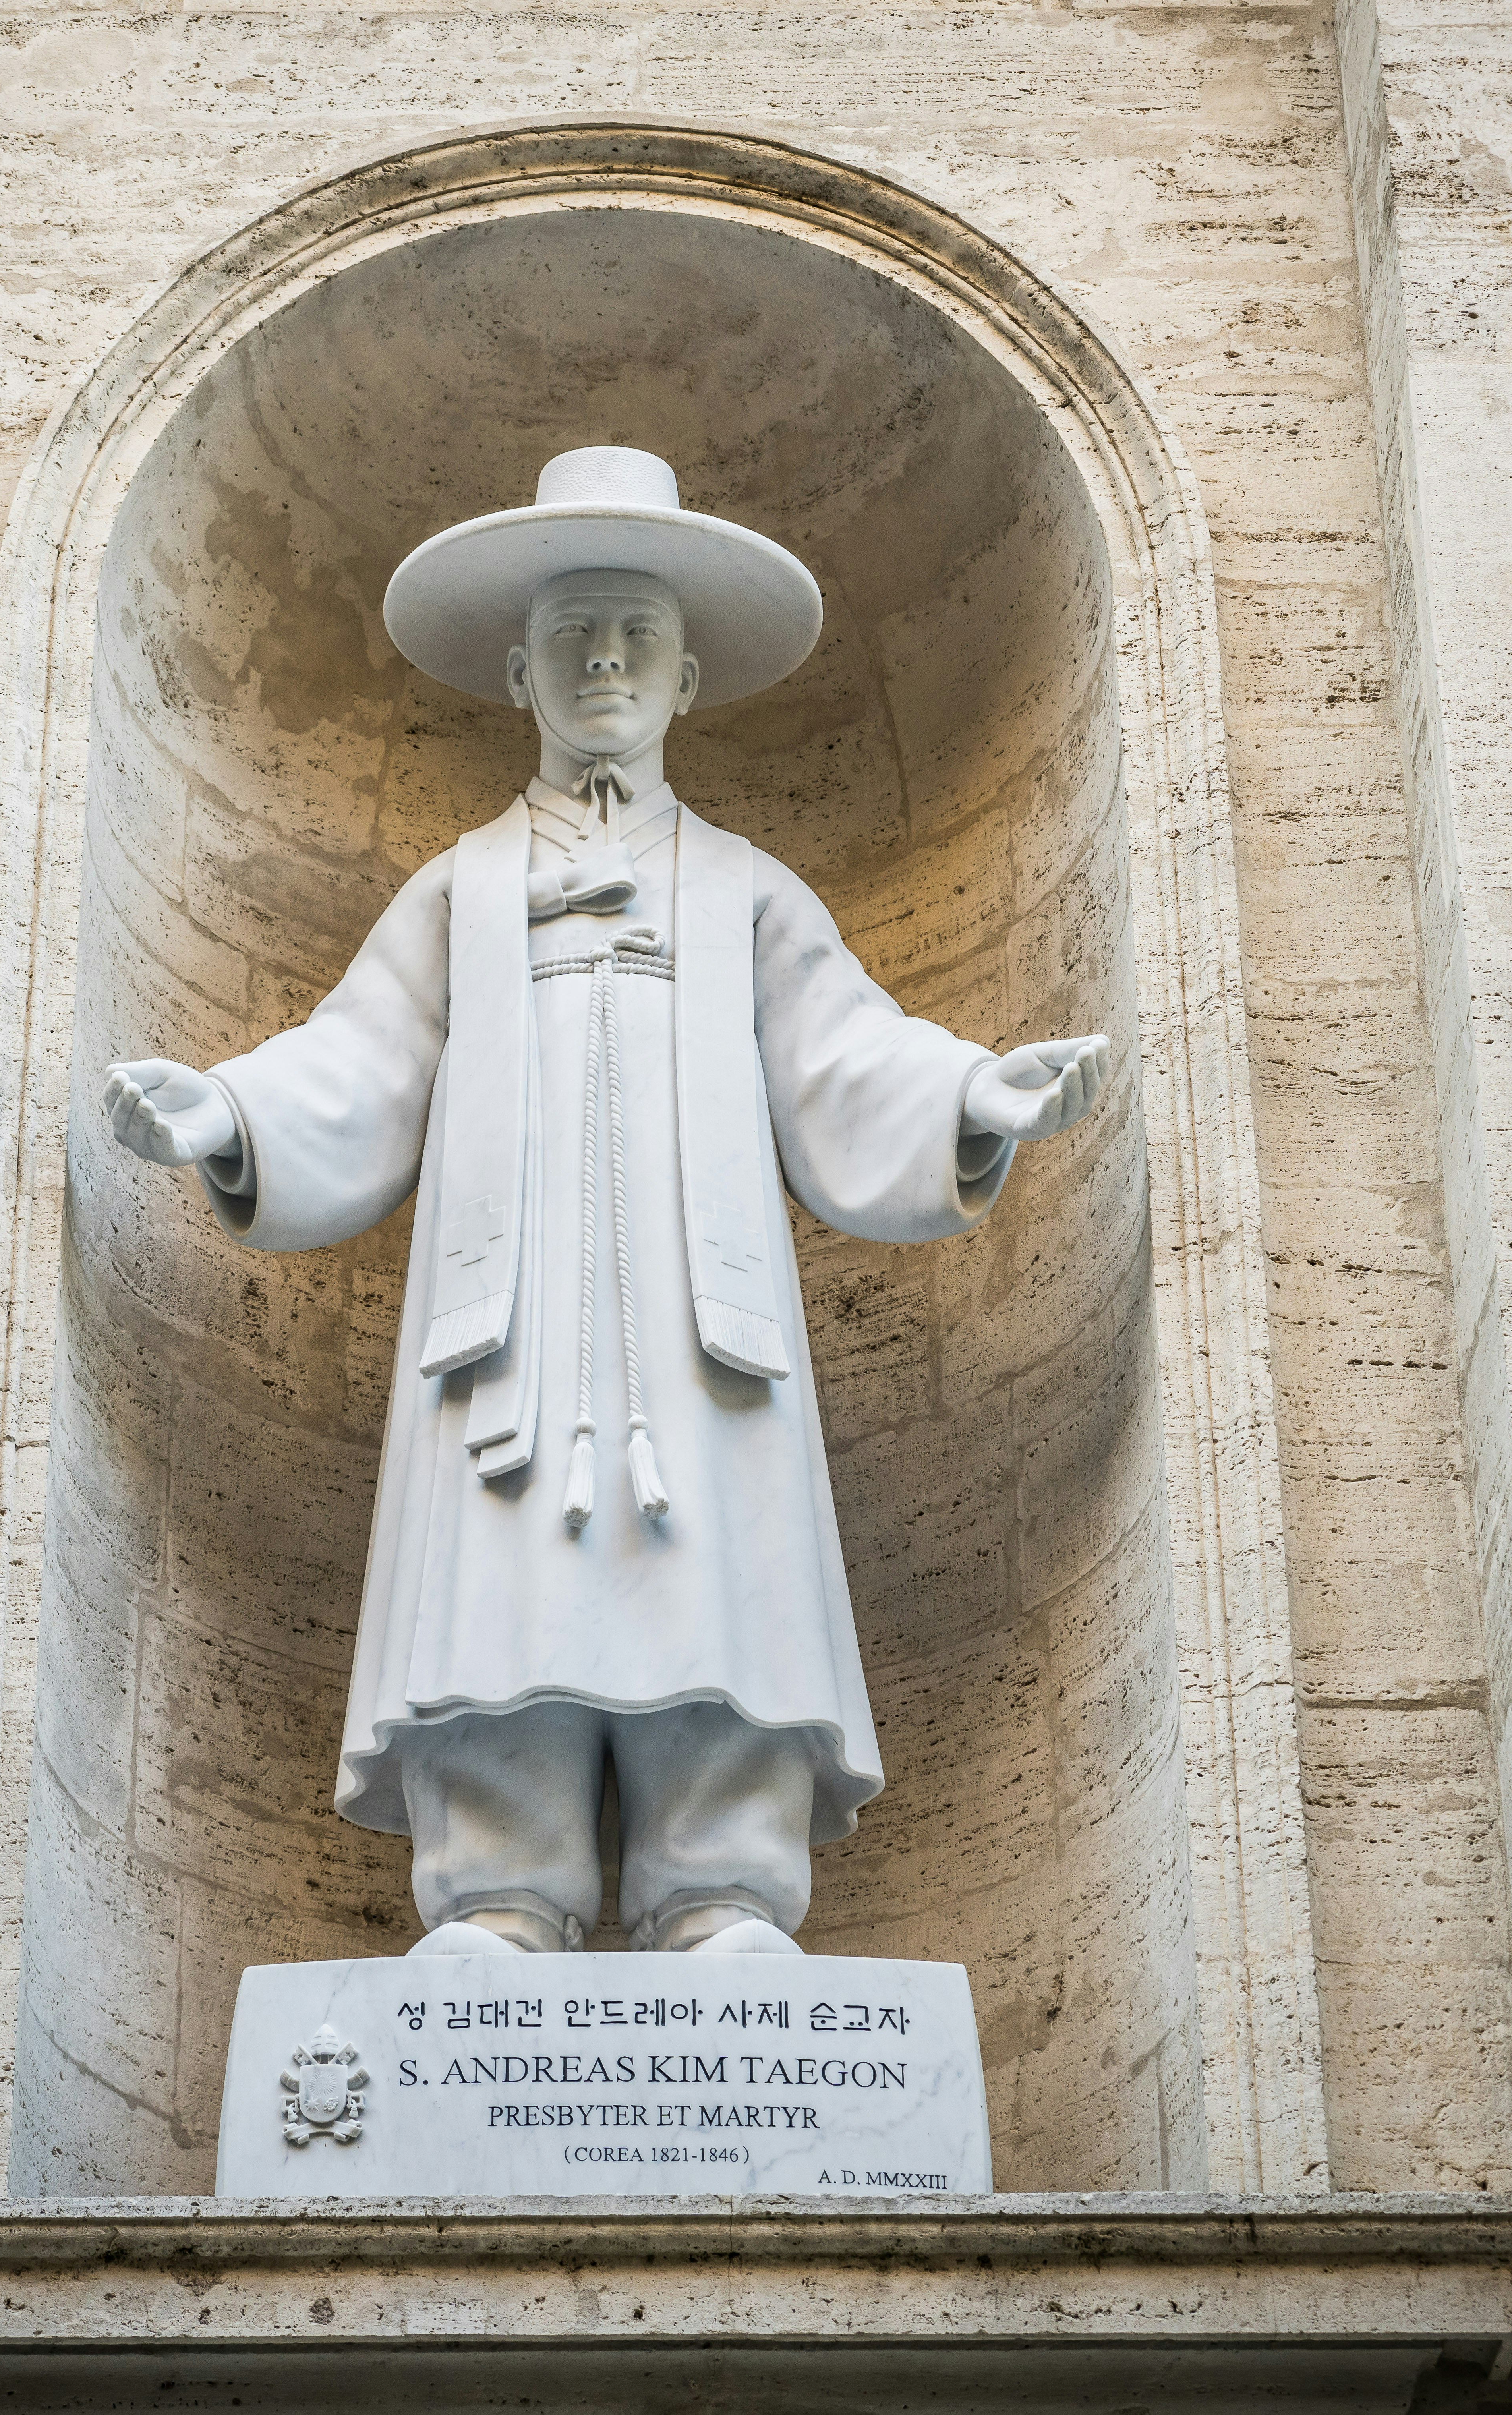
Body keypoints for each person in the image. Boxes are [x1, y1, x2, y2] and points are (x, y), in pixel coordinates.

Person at [102, 447, 1110, 1958]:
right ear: (521, 670)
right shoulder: (461, 887)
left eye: (637, 634)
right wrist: (232, 1112)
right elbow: (358, 1062)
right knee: (503, 1584)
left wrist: (971, 1096)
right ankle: (502, 1888)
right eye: (576, 635)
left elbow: (848, 1054)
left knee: (722, 1572)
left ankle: (723, 1887)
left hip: (703, 1324)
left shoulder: (745, 888)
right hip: (510, 1321)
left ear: (689, 674)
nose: (607, 662)